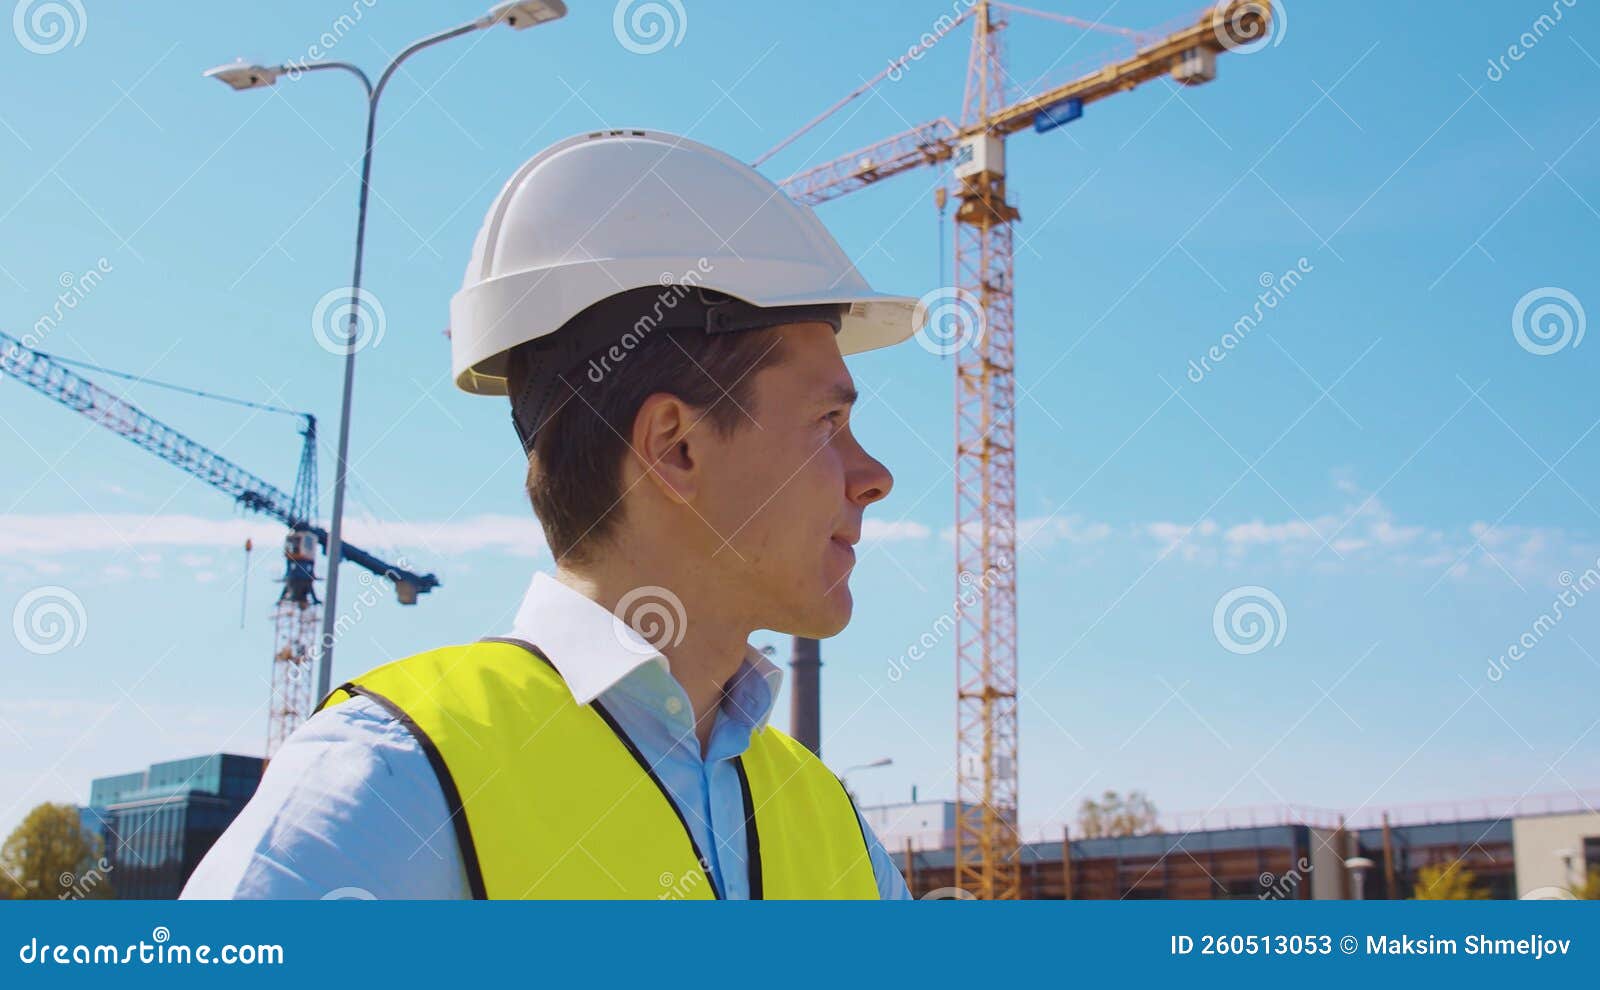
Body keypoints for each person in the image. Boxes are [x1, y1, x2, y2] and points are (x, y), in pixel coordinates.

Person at [183, 130, 926, 900]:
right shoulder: (390, 785)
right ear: (676, 448)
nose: (874, 477)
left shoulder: (831, 824)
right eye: (828, 424)